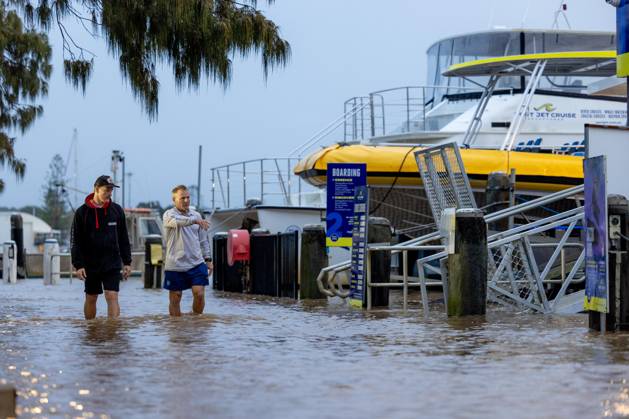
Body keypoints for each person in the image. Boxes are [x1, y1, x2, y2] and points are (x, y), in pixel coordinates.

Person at [71, 175, 132, 319]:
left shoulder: (116, 210)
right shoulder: (82, 212)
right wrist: (78, 265)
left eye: (111, 190)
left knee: (112, 296)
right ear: (96, 189)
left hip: (112, 261)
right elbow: (75, 241)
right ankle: (90, 330)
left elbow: (124, 238)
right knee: (91, 298)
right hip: (90, 263)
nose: (110, 193)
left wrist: (127, 262)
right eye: (107, 190)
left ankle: (113, 331)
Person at [163, 185, 213, 316]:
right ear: (174, 200)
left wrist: (208, 259)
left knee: (199, 293)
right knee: (176, 297)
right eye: (182, 198)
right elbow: (179, 222)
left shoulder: (196, 215)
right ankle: (176, 327)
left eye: (188, 197)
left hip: (196, 263)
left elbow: (203, 240)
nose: (186, 200)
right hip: (175, 264)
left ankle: (196, 322)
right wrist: (195, 220)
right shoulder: (169, 215)